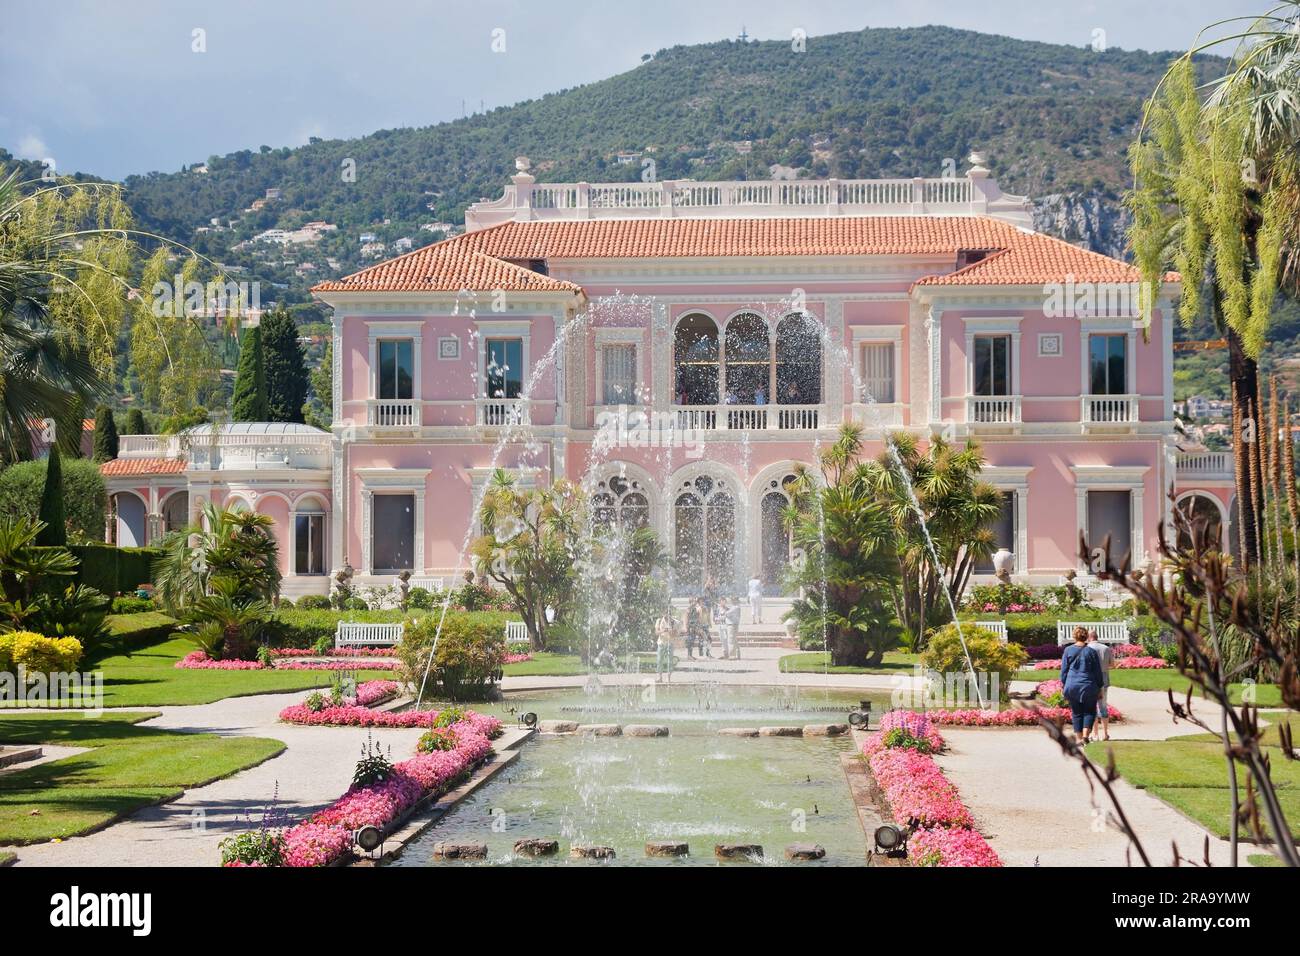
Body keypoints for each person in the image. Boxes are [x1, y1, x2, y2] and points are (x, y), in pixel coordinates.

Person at [1060, 625, 1104, 741]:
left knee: (1076, 712)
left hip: (1072, 684)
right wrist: (1100, 687)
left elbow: (1064, 671)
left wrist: (1063, 685)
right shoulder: (1091, 652)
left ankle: (1079, 738)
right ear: (1086, 637)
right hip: (1088, 685)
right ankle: (1085, 736)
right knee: (1090, 710)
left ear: (1074, 636)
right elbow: (1097, 672)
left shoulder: (1068, 650)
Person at [1087, 628, 1113, 741]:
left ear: (1089, 637)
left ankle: (1095, 733)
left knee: (1092, 706)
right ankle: (1105, 733)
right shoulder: (1106, 648)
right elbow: (1112, 665)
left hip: (1091, 679)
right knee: (1103, 706)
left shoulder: (1087, 648)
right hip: (1103, 678)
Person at [654, 609, 675, 682]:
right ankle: (660, 677)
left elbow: (675, 634)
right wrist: (663, 630)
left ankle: (669, 678)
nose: (666, 615)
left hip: (670, 643)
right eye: (665, 613)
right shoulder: (659, 621)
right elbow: (656, 632)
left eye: (668, 613)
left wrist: (671, 632)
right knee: (659, 660)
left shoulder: (673, 622)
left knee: (670, 661)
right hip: (661, 643)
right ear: (663, 613)